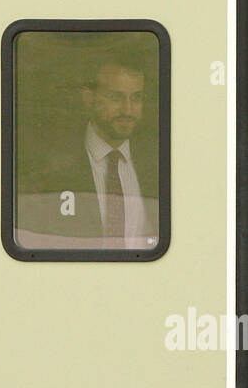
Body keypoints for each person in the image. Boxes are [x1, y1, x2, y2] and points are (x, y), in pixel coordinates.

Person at [16, 58, 159, 250]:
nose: (128, 110)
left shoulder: (156, 163)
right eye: (115, 98)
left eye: (136, 98)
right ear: (89, 98)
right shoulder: (50, 169)